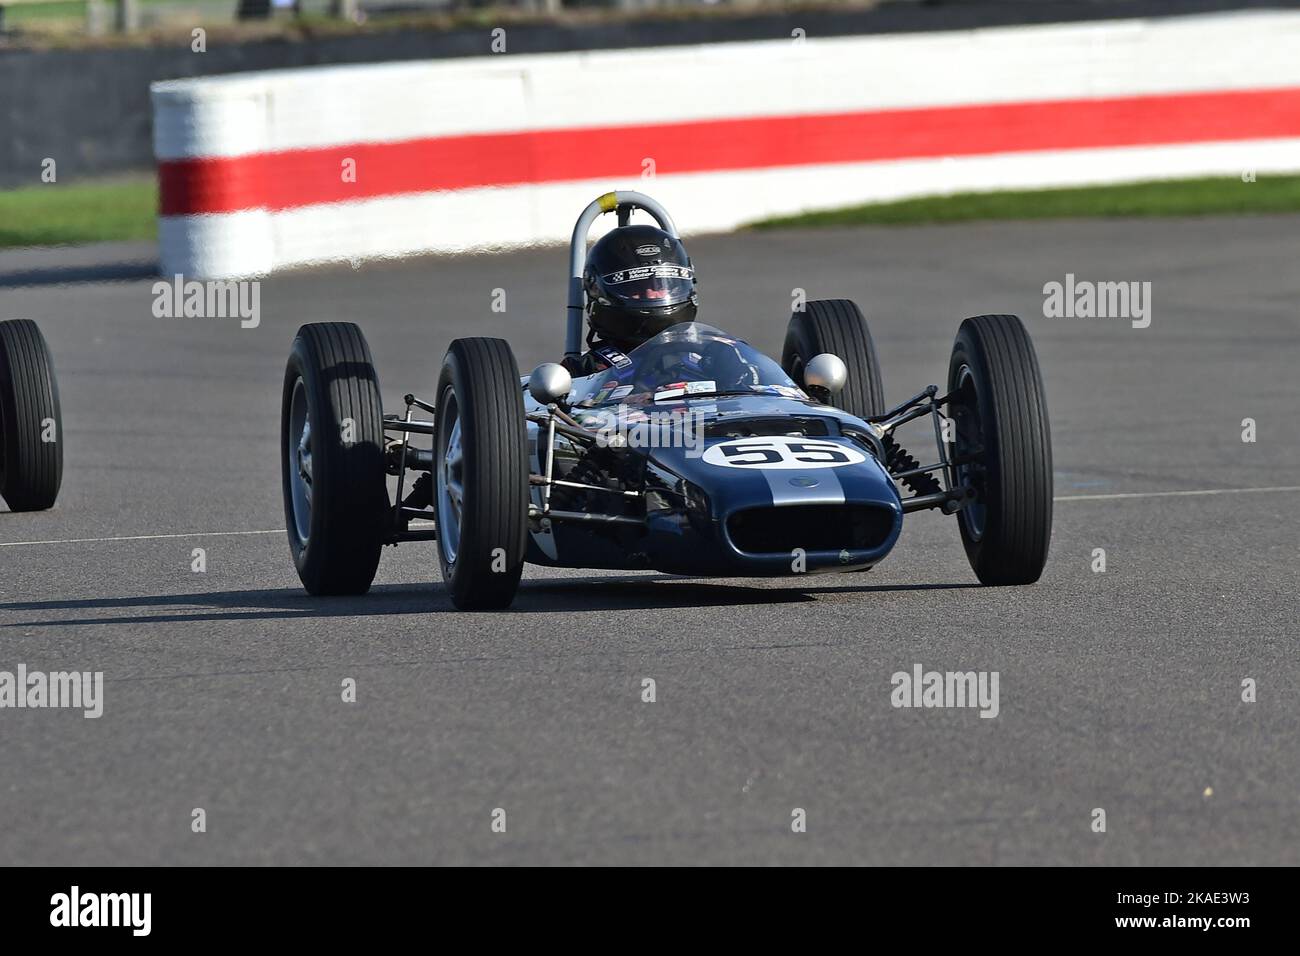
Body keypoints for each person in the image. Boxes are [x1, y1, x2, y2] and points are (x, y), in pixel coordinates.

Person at [562, 224, 698, 378]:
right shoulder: (586, 371)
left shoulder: (707, 358)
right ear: (598, 293)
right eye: (638, 288)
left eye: (660, 285)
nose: (652, 294)